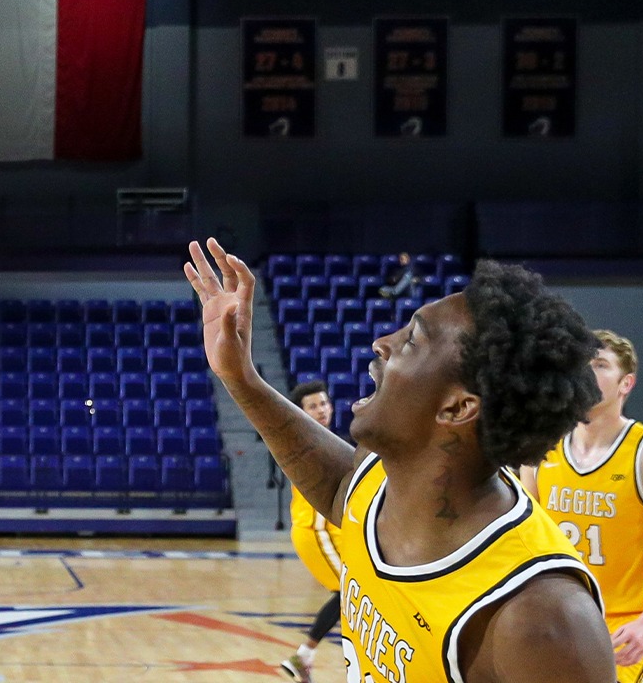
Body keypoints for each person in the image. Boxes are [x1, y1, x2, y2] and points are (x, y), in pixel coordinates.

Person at [184, 239, 613, 683]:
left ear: (457, 408)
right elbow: (341, 491)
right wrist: (241, 378)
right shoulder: (385, 472)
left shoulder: (542, 618)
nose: (382, 343)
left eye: (413, 340)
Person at [524, 331, 643, 682]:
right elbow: (527, 537)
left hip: (626, 622)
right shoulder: (544, 445)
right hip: (560, 615)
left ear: (626, 384)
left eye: (600, 364)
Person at [278, 380, 344, 682]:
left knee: (362, 591)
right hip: (316, 530)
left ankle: (305, 657)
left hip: (334, 530)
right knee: (349, 591)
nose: (321, 410)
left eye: (324, 403)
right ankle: (303, 656)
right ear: (301, 413)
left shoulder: (325, 438)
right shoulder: (305, 442)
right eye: (313, 406)